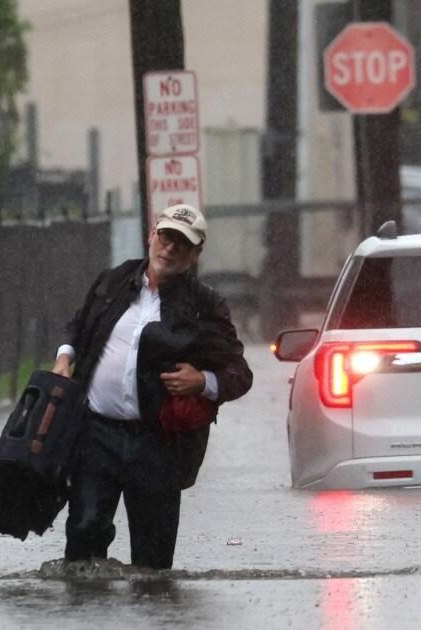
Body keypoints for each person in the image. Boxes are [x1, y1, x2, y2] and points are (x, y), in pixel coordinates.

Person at [52, 203, 253, 569]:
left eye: (182, 242)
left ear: (196, 253)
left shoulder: (204, 305)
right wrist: (65, 357)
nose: (170, 248)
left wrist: (202, 382)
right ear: (151, 235)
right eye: (166, 236)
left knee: (153, 562)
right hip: (96, 435)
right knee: (83, 536)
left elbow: (239, 373)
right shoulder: (112, 282)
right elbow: (78, 327)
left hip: (160, 445)